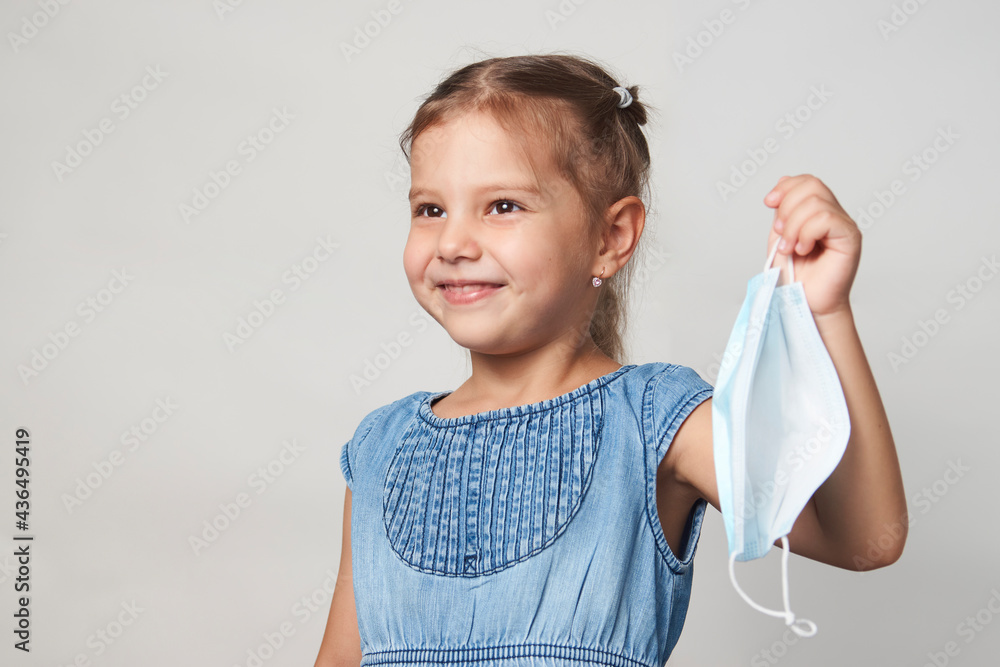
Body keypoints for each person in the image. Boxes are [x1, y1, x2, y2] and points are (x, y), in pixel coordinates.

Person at [314, 53, 907, 667]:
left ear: (611, 237)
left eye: (503, 206)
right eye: (430, 209)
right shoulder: (381, 446)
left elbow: (866, 539)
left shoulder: (655, 420)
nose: (454, 243)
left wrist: (826, 313)